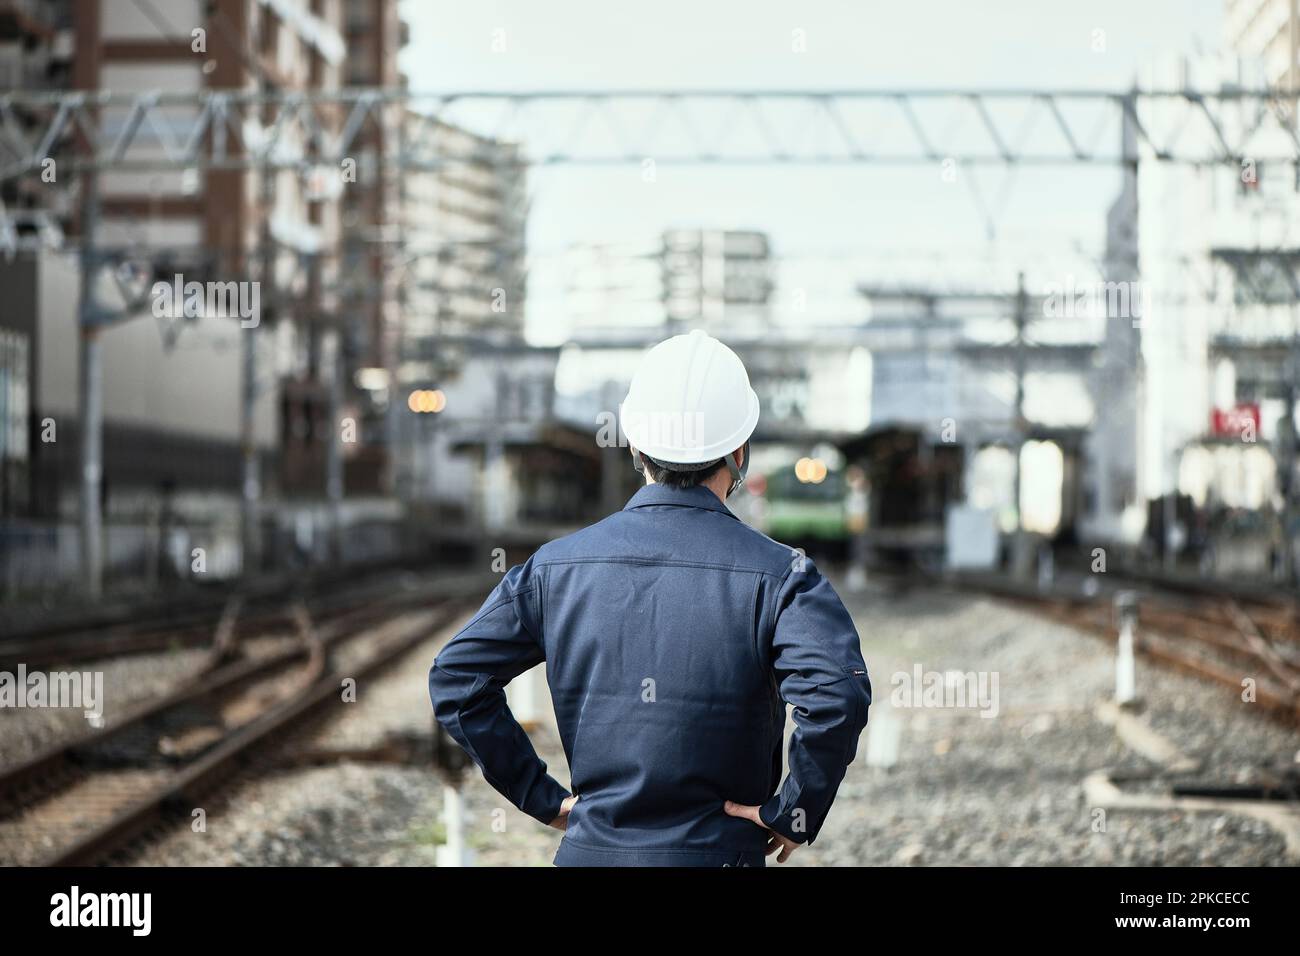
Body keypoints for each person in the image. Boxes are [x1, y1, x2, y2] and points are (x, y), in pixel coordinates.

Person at [428, 329, 871, 867]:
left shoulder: (553, 569)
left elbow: (457, 679)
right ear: (739, 451)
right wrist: (792, 811)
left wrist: (543, 799)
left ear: (636, 446)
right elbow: (836, 696)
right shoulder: (784, 577)